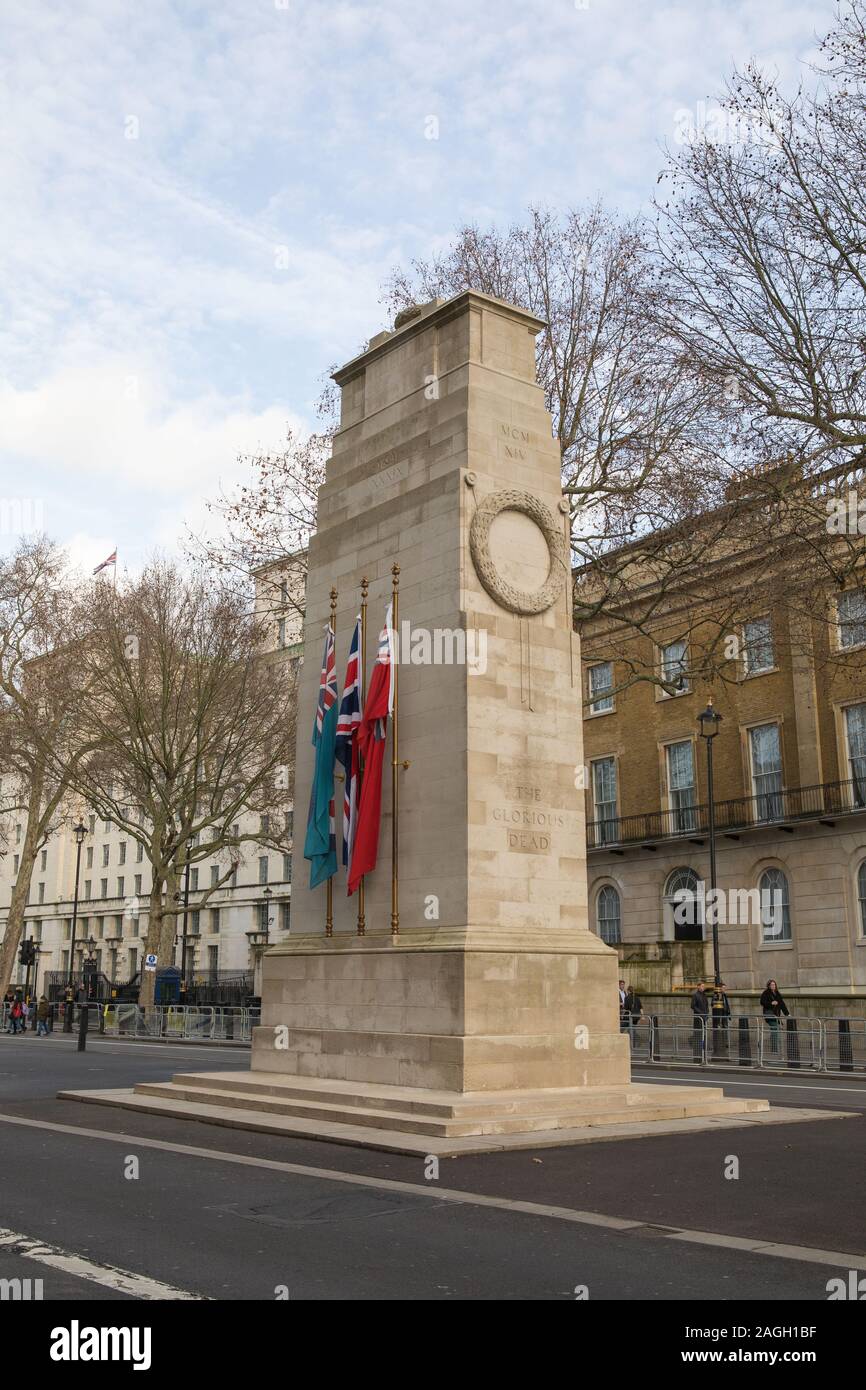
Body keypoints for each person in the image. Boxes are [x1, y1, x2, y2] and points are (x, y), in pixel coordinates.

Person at [760, 978, 789, 1056]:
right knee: (775, 1030)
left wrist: (787, 1014)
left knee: (776, 1031)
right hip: (770, 1015)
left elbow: (782, 1004)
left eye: (774, 984)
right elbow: (762, 1002)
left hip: (776, 1015)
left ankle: (775, 1049)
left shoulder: (777, 993)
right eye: (772, 985)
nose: (773, 986)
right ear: (769, 986)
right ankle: (774, 1050)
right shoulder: (765, 993)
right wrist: (771, 1003)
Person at [690, 983, 709, 1060]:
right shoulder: (695, 995)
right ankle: (698, 1051)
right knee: (698, 1034)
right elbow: (693, 1006)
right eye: (702, 986)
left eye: (704, 986)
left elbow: (707, 1005)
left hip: (704, 1017)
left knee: (703, 1034)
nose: (703, 987)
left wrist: (707, 1012)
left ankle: (703, 1049)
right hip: (698, 1018)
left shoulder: (704, 995)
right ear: (698, 987)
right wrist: (700, 1013)